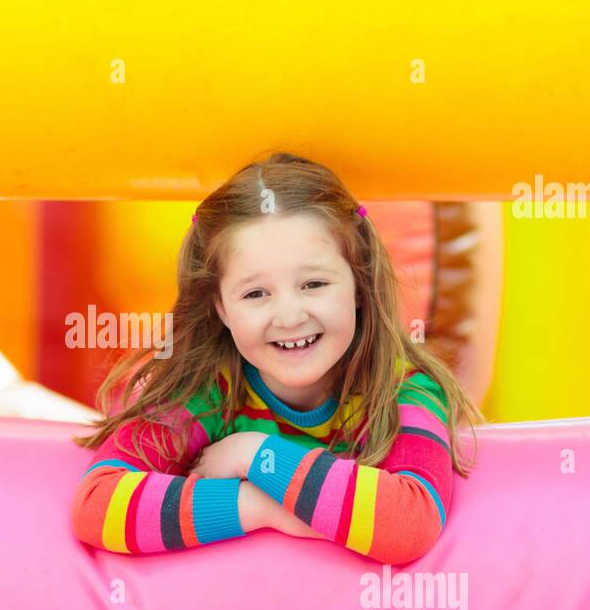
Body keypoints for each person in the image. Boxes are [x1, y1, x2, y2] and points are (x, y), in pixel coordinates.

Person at [70, 152, 483, 563]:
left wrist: (255, 454)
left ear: (359, 284)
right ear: (220, 307)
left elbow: (409, 523)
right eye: (256, 294)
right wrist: (262, 508)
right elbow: (96, 503)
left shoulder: (405, 387)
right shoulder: (208, 389)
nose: (289, 316)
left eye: (314, 283)